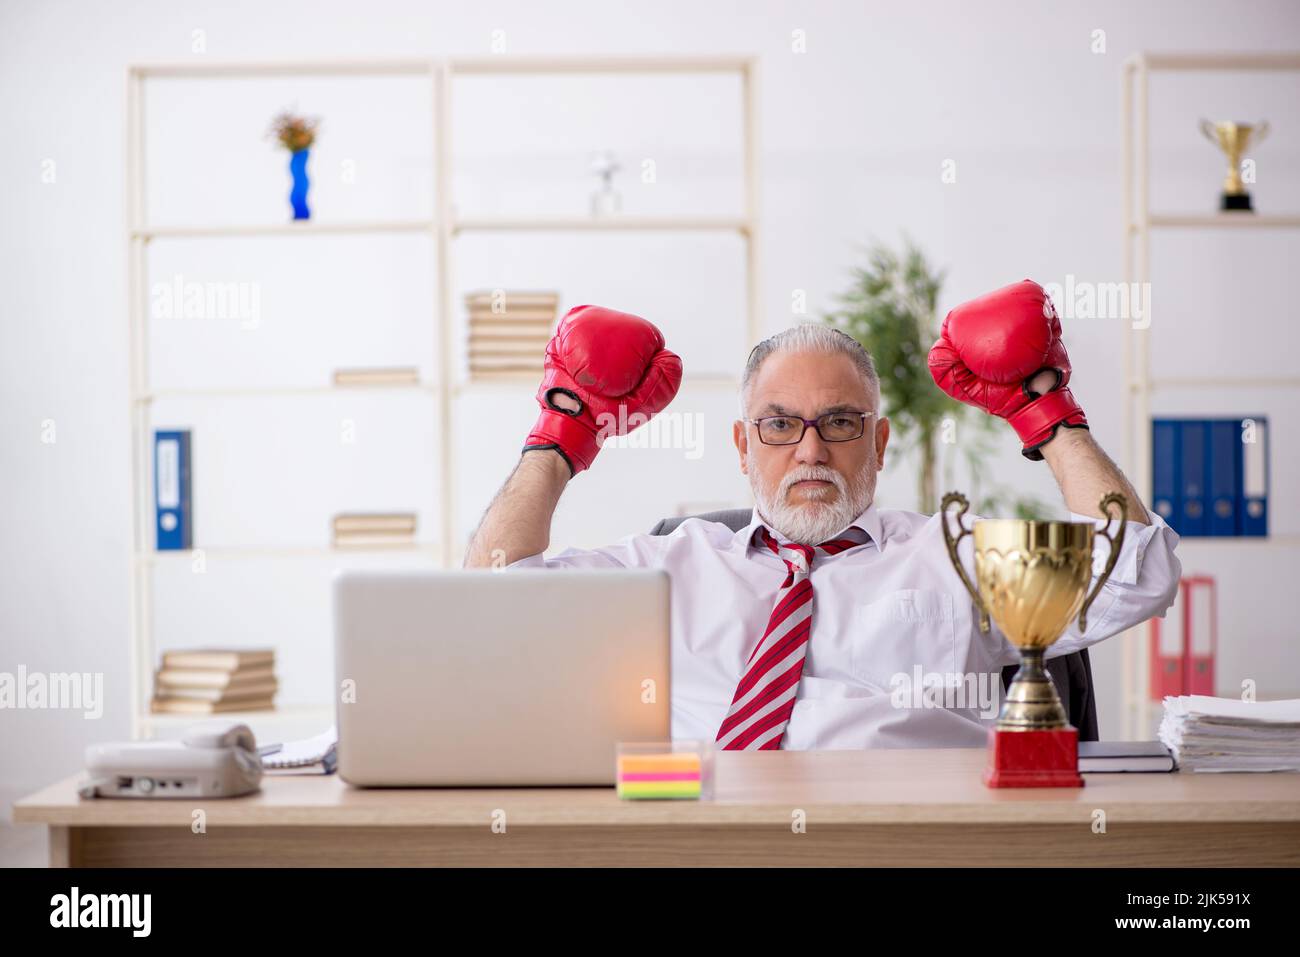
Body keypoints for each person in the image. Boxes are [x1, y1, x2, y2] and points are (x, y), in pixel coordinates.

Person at [464, 282, 1181, 750]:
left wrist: (1046, 410)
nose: (810, 450)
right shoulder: (671, 564)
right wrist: (562, 431)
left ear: (879, 442)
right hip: (700, 844)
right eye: (779, 425)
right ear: (743, 446)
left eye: (839, 422)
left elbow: (1138, 569)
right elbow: (494, 598)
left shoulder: (953, 555)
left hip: (906, 848)